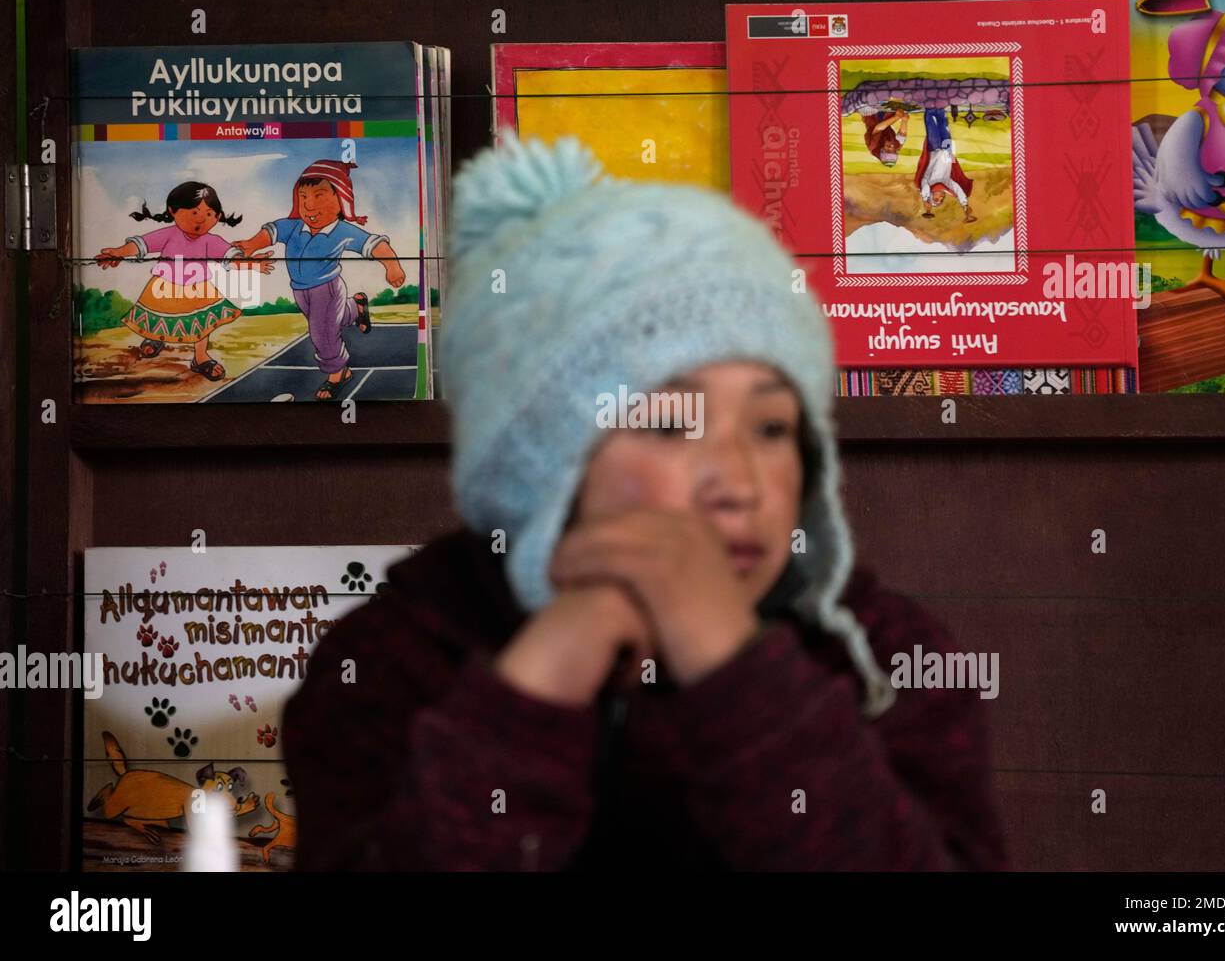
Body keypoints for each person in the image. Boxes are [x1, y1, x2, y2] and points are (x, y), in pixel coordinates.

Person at [281, 135, 1006, 871]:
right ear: (542, 466)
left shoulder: (882, 656)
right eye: (669, 424)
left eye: (771, 427)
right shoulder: (391, 661)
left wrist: (734, 666)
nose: (740, 481)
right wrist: (539, 686)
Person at [233, 160, 406, 400]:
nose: (309, 204)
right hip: (300, 290)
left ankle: (338, 372)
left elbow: (377, 244)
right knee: (331, 321)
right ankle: (356, 307)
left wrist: (393, 267)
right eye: (303, 197)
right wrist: (251, 245)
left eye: (319, 195)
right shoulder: (293, 227)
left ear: (341, 201)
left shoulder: (343, 231)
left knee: (322, 332)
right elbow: (270, 231)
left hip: (327, 288)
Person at [96, 181, 273, 381]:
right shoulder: (168, 234)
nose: (201, 219)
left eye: (209, 214)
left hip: (200, 290)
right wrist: (119, 253)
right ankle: (156, 339)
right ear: (173, 211)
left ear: (218, 217)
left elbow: (232, 258)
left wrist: (252, 264)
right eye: (194, 212)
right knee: (159, 315)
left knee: (201, 325)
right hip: (164, 287)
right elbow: (142, 245)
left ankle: (200, 357)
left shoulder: (212, 241)